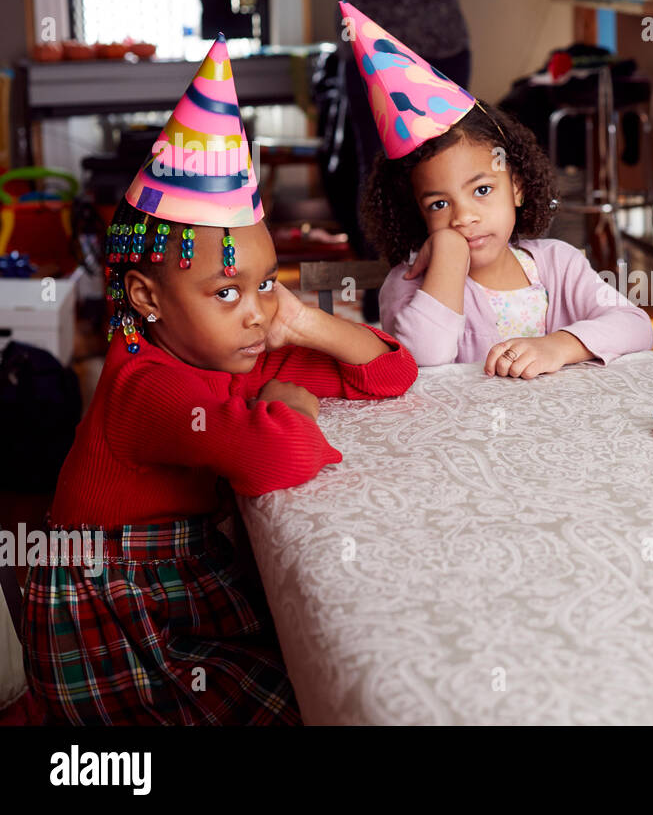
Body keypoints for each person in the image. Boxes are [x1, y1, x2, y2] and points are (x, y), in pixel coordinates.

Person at [22, 38, 418, 724]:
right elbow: (278, 454)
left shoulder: (233, 341)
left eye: (265, 283)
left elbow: (390, 372)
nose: (255, 310)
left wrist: (303, 324)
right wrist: (287, 401)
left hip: (171, 585)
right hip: (115, 614)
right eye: (226, 291)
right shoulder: (144, 387)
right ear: (146, 297)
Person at [341, 3, 653, 372]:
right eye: (440, 204)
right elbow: (421, 359)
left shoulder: (559, 264)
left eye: (482, 190)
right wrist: (448, 253)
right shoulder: (407, 285)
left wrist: (559, 346)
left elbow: (637, 327)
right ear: (416, 212)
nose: (465, 216)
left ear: (517, 186)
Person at [326, 0, 470, 319]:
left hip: (443, 45)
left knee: (444, 167)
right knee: (381, 170)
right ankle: (385, 292)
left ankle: (447, 282)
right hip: (369, 49)